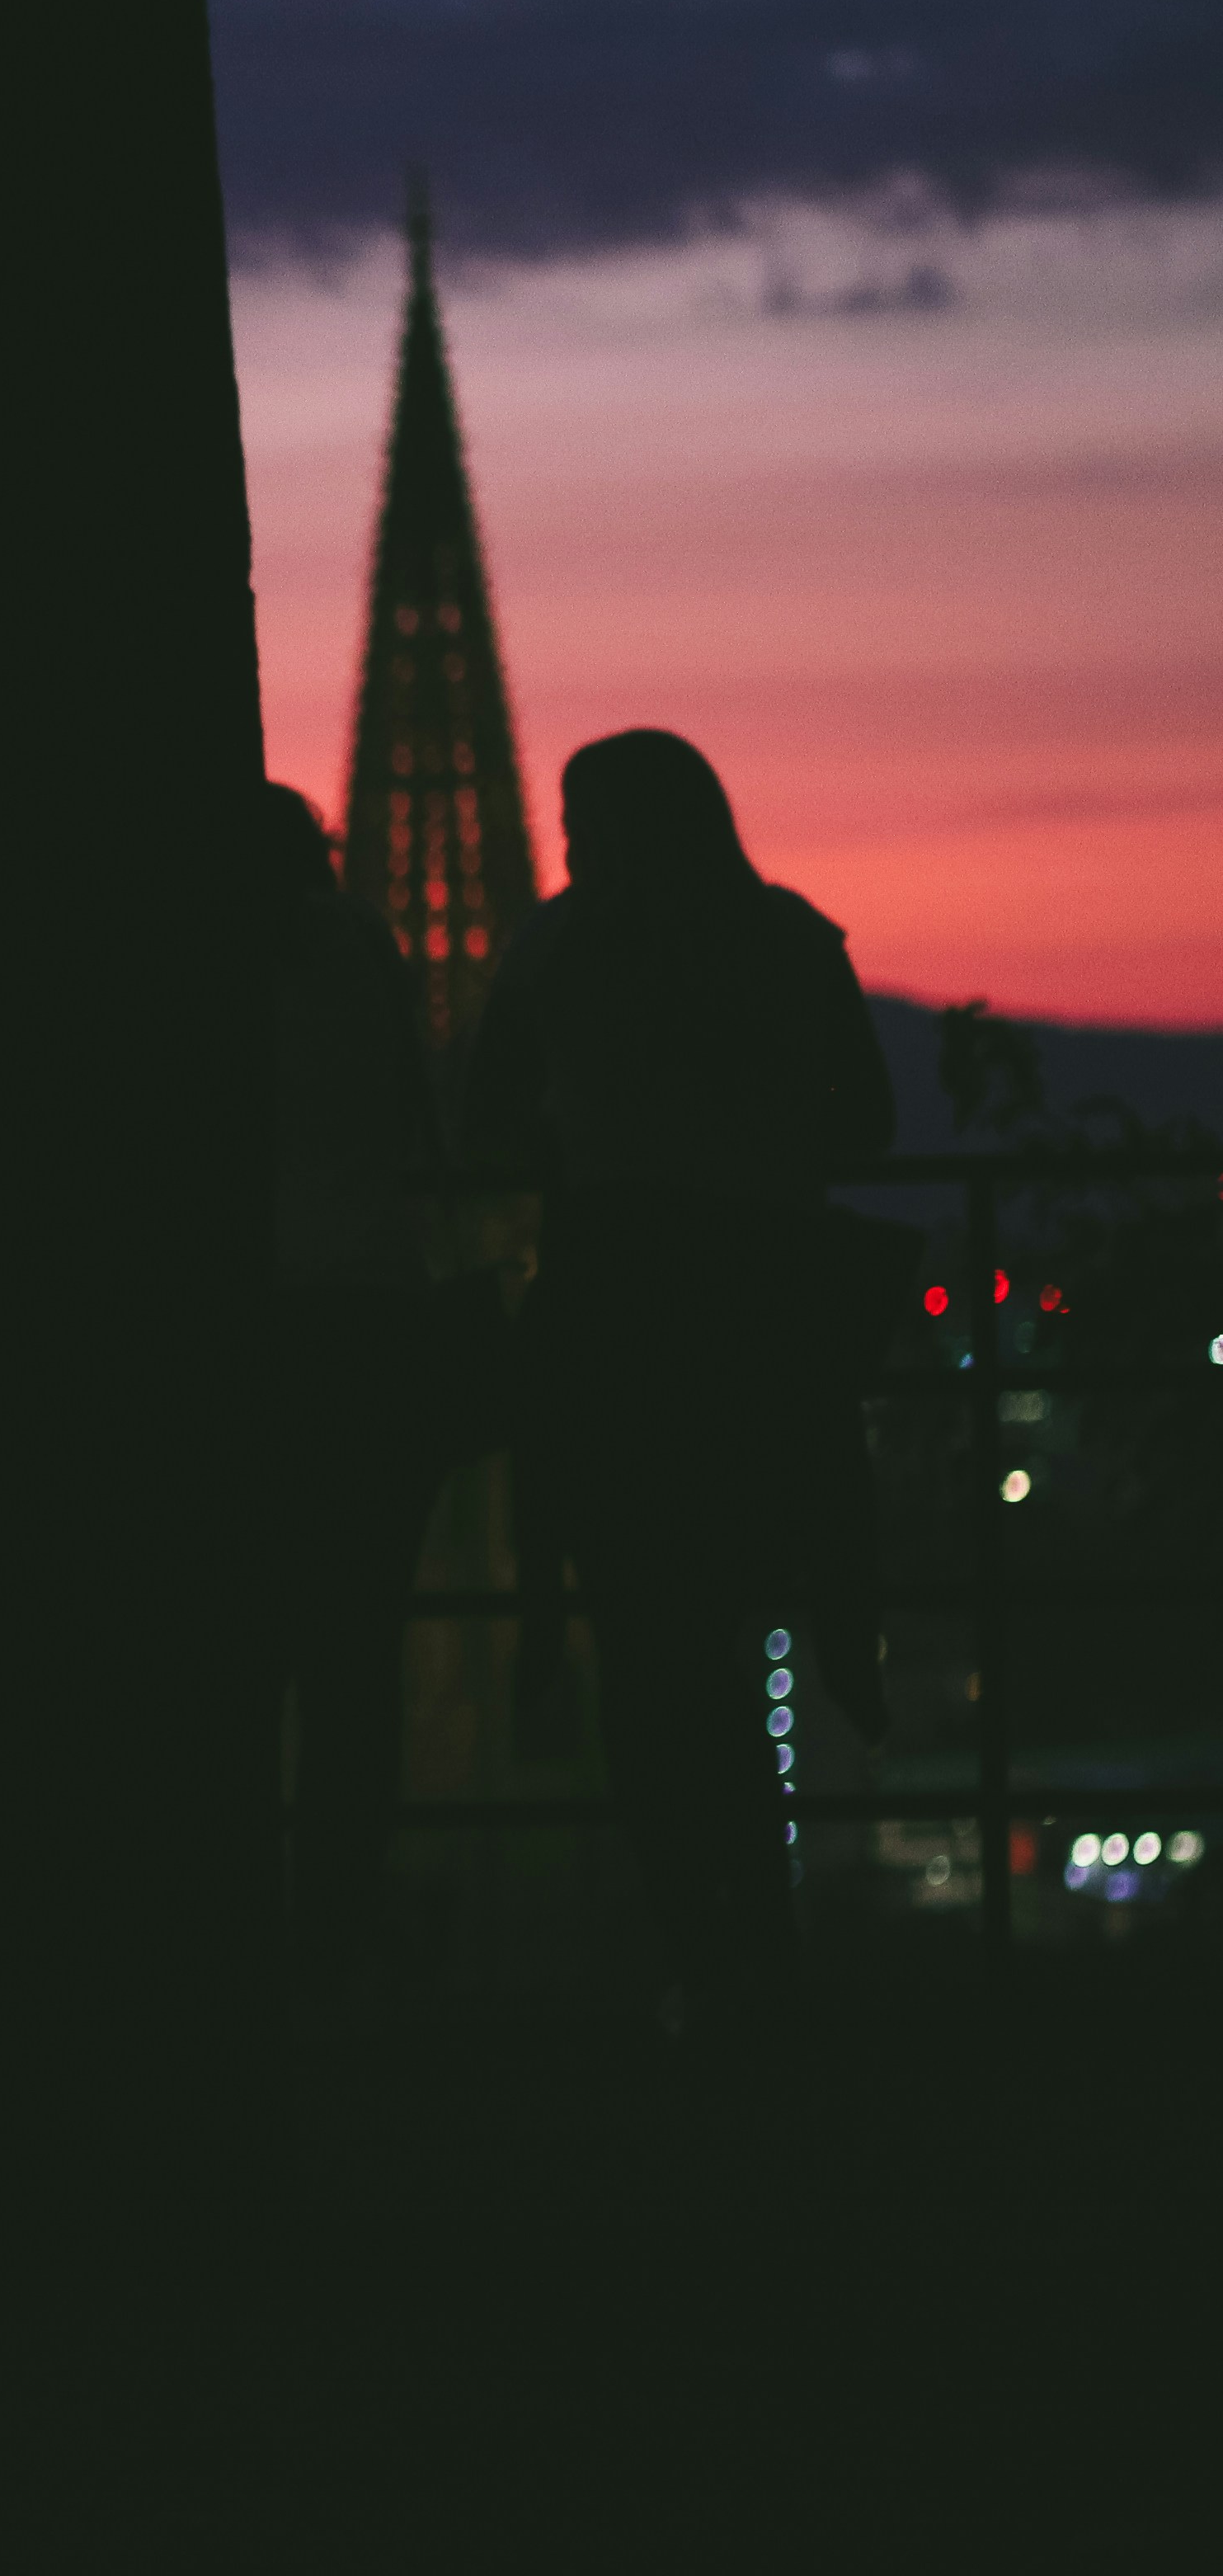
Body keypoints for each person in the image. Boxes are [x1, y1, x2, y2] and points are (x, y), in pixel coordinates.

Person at [462, 728, 893, 2036]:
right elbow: (867, 1123)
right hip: (763, 1308)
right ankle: (766, 1929)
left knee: (647, 1658)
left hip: (616, 1303)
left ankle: (702, 1954)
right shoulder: (791, 937)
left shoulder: (552, 947)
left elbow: (484, 1123)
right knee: (733, 1630)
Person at [257, 783, 449, 1992]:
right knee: (356, 1655)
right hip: (381, 1330)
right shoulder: (366, 946)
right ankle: (338, 1926)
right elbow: (432, 1128)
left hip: (251, 1340)